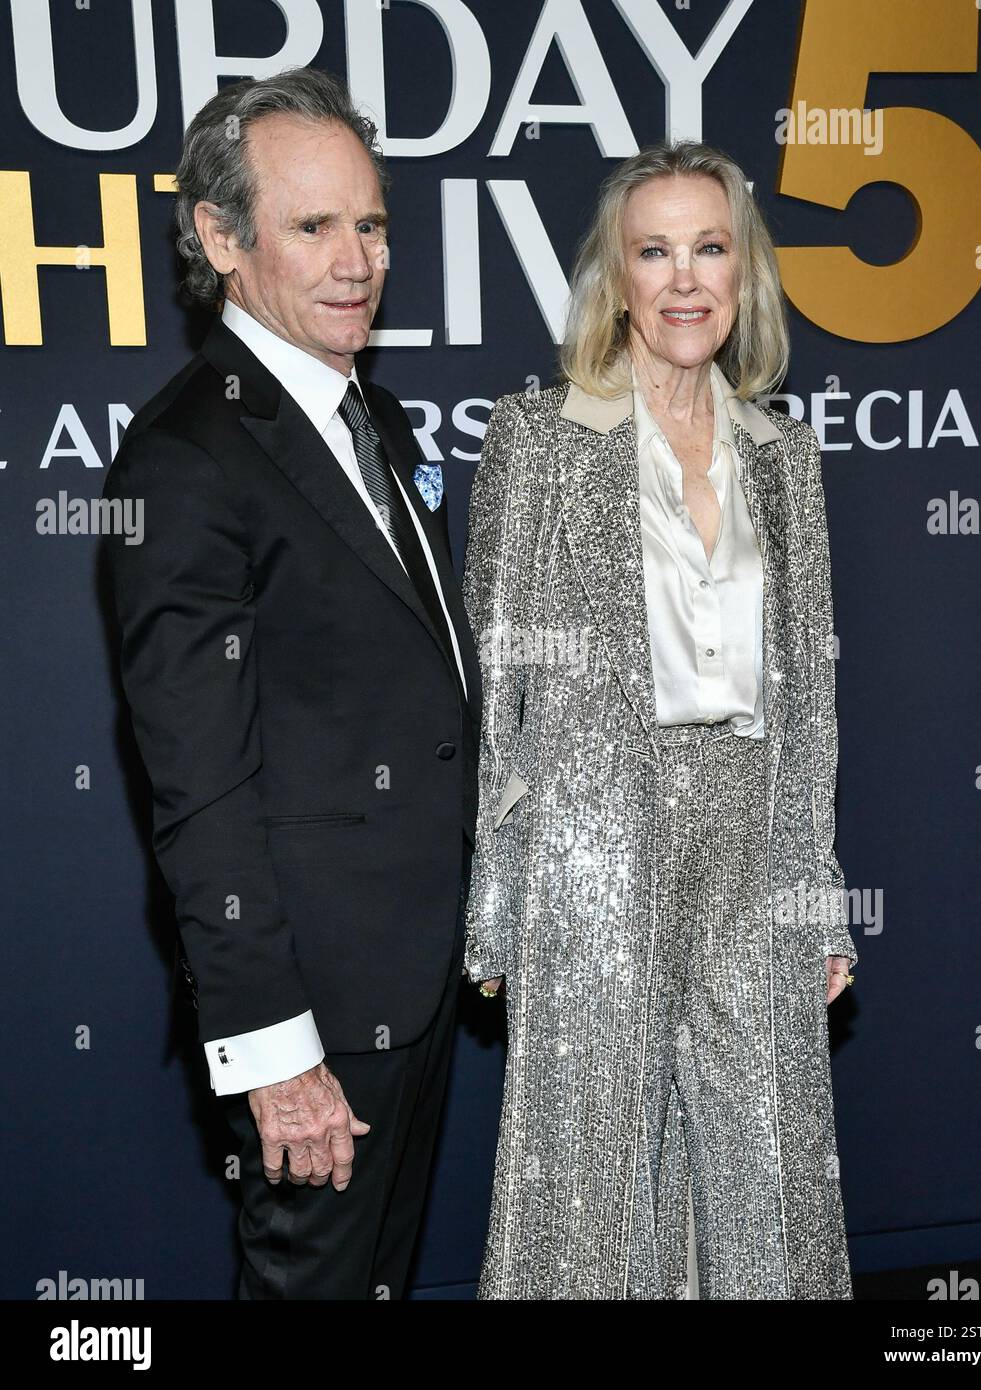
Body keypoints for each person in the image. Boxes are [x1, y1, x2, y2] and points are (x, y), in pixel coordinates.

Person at [102, 67, 480, 1300]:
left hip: (411, 977)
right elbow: (198, 791)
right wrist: (274, 1053)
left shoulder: (372, 414)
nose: (355, 259)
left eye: (369, 223)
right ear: (220, 239)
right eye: (312, 226)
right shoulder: (186, 461)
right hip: (313, 1008)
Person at [463, 140, 858, 1299]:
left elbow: (812, 704)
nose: (683, 280)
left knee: (769, 1168)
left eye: (709, 249)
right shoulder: (536, 442)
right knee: (587, 1189)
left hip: (748, 844)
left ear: (744, 274)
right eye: (654, 251)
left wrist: (813, 884)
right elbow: (505, 692)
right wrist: (498, 900)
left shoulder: (784, 458)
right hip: (594, 849)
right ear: (616, 278)